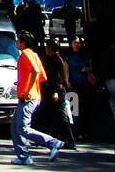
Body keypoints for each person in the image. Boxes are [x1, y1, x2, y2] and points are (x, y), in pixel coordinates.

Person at [11, 30, 62, 165]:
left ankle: (53, 142)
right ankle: (24, 156)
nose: (16, 42)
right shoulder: (34, 54)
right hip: (32, 96)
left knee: (23, 128)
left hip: (28, 97)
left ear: (23, 43)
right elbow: (42, 77)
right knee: (15, 126)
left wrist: (27, 89)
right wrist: (23, 82)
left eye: (18, 40)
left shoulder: (26, 54)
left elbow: (35, 71)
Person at [36, 39, 76, 149]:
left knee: (60, 115)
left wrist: (55, 92)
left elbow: (58, 78)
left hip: (57, 91)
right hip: (52, 90)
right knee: (48, 115)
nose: (46, 49)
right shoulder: (50, 58)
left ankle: (69, 140)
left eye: (47, 47)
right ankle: (45, 138)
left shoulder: (57, 60)